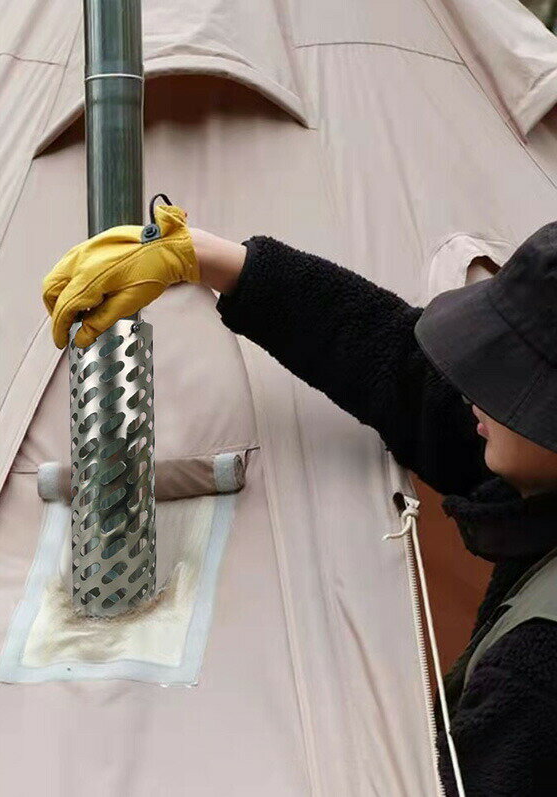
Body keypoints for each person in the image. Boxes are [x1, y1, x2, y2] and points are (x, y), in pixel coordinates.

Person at [43, 199, 557, 796]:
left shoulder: (536, 676)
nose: (473, 394)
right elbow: (401, 371)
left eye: (507, 379)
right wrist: (214, 260)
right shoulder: (533, 461)